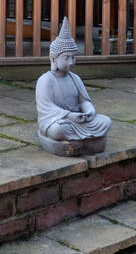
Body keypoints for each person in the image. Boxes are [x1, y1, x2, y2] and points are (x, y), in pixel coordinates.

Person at [36, 18, 111, 155]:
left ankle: (78, 141)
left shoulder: (75, 78)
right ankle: (79, 141)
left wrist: (89, 112)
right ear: (53, 58)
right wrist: (70, 116)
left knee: (105, 122)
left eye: (73, 57)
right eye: (66, 58)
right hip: (58, 121)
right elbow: (46, 108)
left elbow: (84, 101)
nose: (71, 62)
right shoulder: (45, 80)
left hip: (78, 120)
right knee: (57, 130)